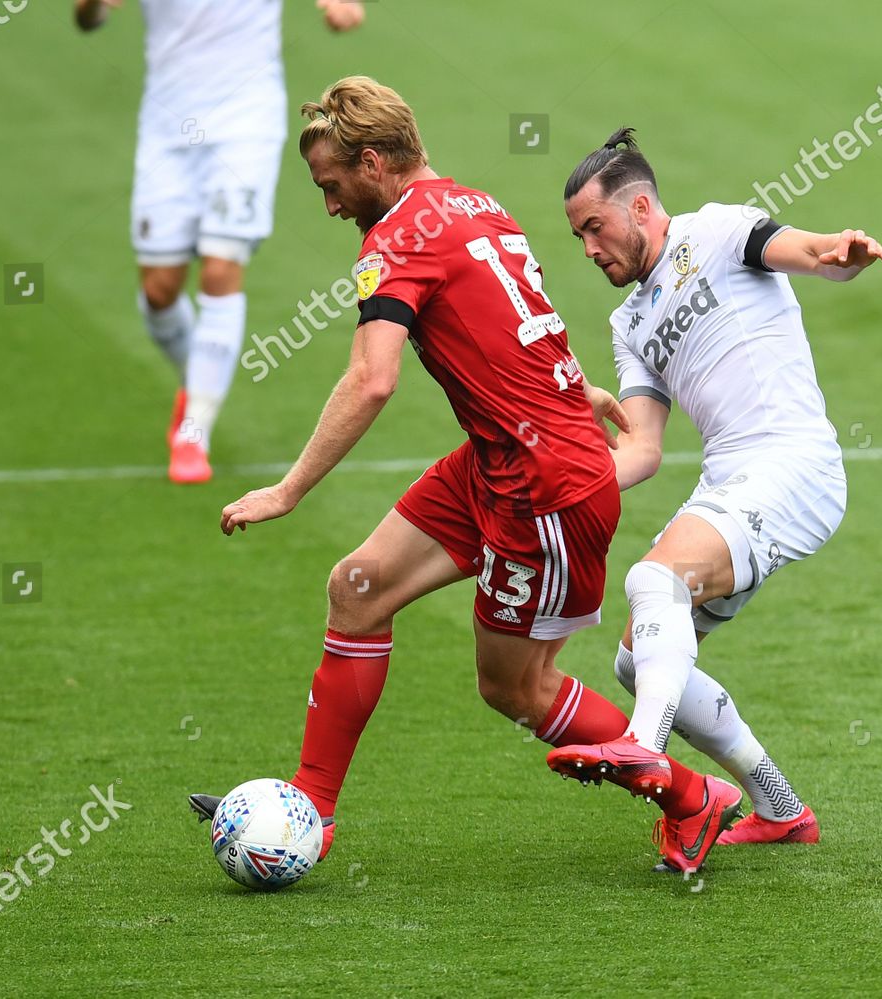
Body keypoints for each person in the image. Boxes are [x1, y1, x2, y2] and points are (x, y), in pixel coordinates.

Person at [190, 80, 740, 874]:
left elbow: (371, 380)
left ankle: (691, 797)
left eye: (332, 184)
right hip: (499, 455)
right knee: (359, 586)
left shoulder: (393, 243)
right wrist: (569, 384)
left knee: (517, 688)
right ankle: (312, 810)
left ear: (372, 162)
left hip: (542, 486)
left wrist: (288, 490)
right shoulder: (475, 204)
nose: (331, 204)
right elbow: (522, 311)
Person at [549, 128, 882, 846]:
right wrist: (556, 482)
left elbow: (807, 251)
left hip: (793, 465)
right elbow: (640, 449)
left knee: (653, 581)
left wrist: (840, 253)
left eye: (594, 228)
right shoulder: (628, 322)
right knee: (635, 655)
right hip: (732, 480)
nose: (588, 248)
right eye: (579, 235)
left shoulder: (718, 230)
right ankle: (781, 809)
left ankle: (644, 743)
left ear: (640, 207)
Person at [74, 0, 365, 483]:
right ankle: (199, 381)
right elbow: (87, 20)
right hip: (168, 127)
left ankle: (195, 430)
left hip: (245, 122)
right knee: (159, 291)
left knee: (220, 266)